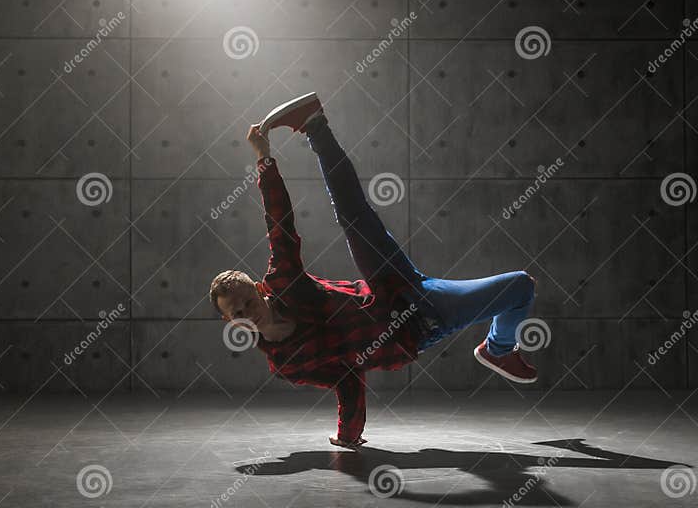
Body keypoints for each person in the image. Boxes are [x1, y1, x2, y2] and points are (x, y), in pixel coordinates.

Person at [209, 93, 538, 449]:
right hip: (424, 320)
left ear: (259, 289)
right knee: (520, 286)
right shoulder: (286, 364)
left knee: (353, 215)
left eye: (246, 301)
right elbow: (347, 378)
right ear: (231, 322)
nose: (247, 314)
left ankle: (314, 124)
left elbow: (280, 224)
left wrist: (264, 159)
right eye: (237, 313)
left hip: (390, 285)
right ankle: (499, 350)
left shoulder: (284, 283)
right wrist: (349, 436)